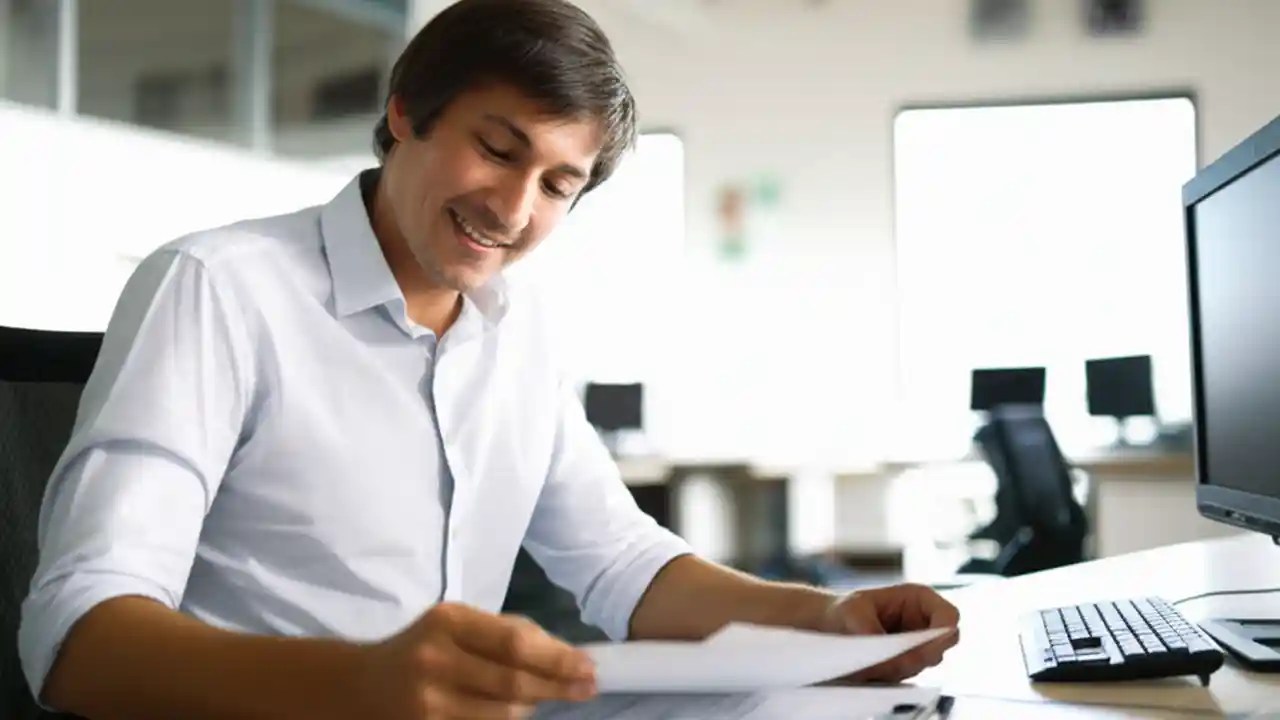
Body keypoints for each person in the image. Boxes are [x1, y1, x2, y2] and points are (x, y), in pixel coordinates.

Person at [18, 1, 959, 718]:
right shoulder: (220, 287)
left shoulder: (518, 331)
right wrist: (364, 684)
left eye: (558, 183)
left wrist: (822, 622)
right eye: (495, 148)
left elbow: (622, 564)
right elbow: (76, 640)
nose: (514, 209)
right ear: (405, 113)